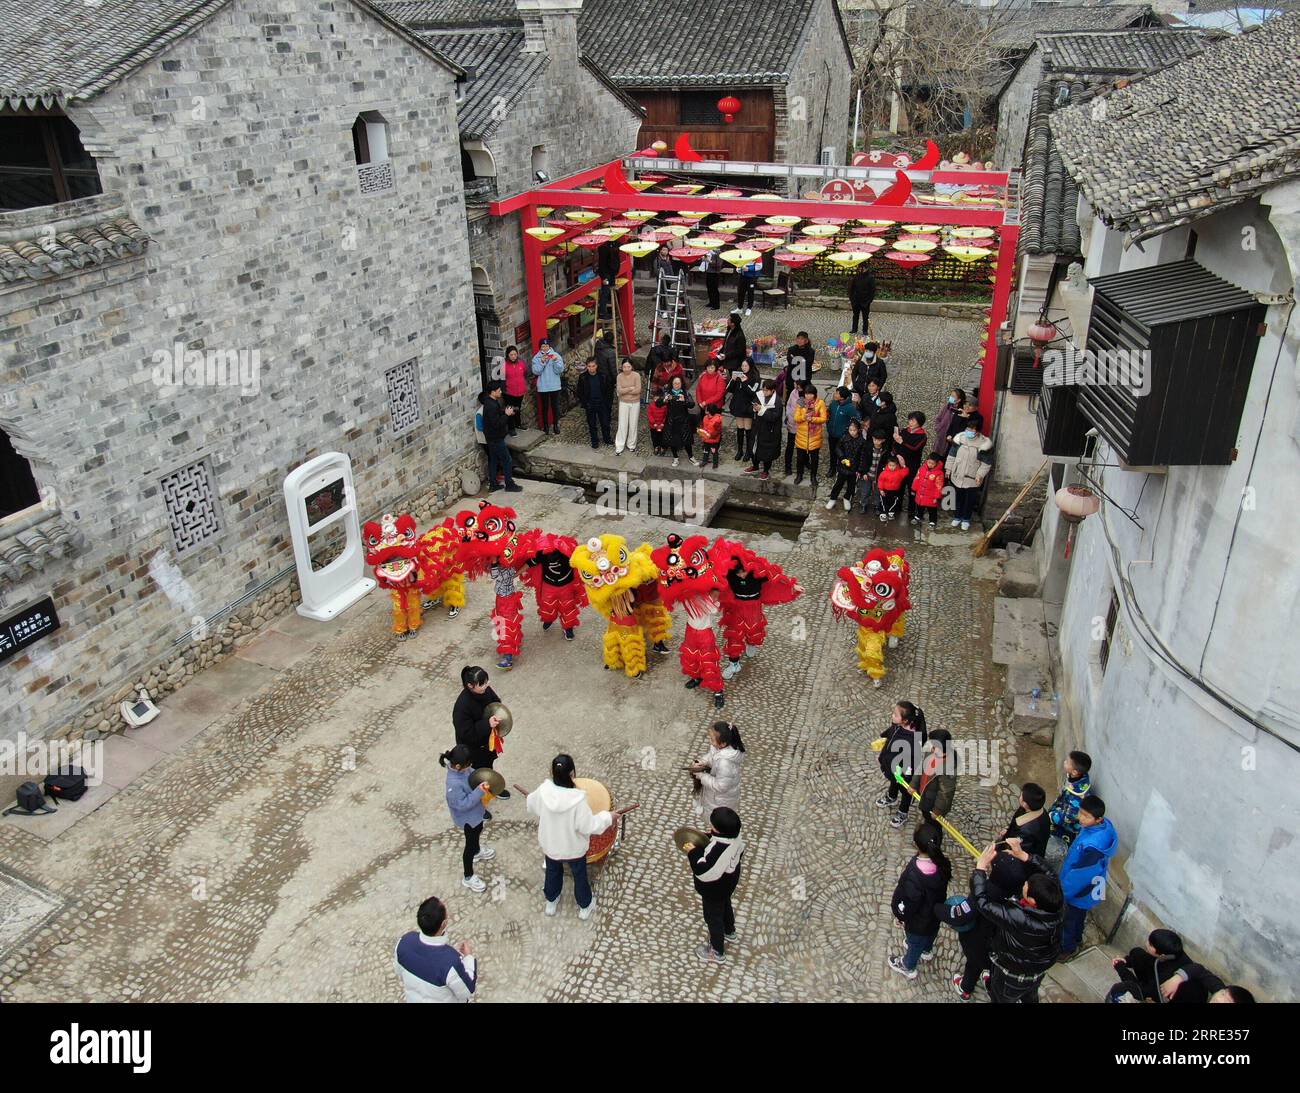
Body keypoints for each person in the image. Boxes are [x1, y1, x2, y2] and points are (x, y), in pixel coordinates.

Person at [516, 754, 629, 920]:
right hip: (573, 849)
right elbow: (589, 826)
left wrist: (531, 799)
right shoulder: (577, 802)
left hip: (551, 845)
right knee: (579, 875)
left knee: (553, 872)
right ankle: (584, 906)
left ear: (553, 772)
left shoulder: (543, 791)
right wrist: (608, 816)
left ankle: (551, 901)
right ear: (572, 774)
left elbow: (533, 804)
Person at [971, 845, 1064, 1003]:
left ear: (1032, 901)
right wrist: (1025, 856)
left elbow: (983, 904)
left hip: (1013, 973)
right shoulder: (1057, 903)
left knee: (1002, 996)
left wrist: (980, 869)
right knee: (1030, 993)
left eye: (1027, 886)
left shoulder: (1020, 918)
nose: (1024, 885)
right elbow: (1051, 874)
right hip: (1038, 968)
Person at [888, 820, 952, 979]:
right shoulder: (943, 864)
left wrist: (901, 916)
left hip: (918, 922)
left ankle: (908, 966)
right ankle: (927, 950)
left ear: (917, 845)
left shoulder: (914, 876)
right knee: (930, 934)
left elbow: (908, 902)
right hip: (934, 915)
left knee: (914, 943)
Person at [1058, 794, 1119, 956]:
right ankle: (1077, 938)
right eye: (1081, 812)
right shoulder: (1104, 828)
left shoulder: (1093, 846)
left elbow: (1081, 875)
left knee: (1069, 920)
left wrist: (1064, 893)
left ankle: (1066, 949)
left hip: (1080, 889)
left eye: (1086, 816)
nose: (1081, 818)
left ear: (1098, 819)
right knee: (1078, 916)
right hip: (1090, 887)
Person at [686, 806, 746, 963]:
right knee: (725, 906)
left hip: (714, 890)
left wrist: (693, 852)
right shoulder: (735, 837)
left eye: (713, 827)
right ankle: (729, 930)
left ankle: (717, 951)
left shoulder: (720, 849)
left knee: (713, 917)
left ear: (720, 831)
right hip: (727, 884)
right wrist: (706, 836)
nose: (710, 828)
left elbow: (704, 871)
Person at [394, 896, 477, 1003]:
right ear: (444, 924)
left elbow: (398, 971)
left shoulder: (403, 942)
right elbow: (466, 990)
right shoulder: (450, 961)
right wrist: (468, 957)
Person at [440, 744, 494, 893]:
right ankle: (468, 876)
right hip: (468, 818)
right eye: (467, 765)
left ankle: (477, 851)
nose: (469, 767)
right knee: (469, 845)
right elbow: (462, 805)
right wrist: (479, 792)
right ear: (457, 766)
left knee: (479, 829)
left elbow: (472, 773)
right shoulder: (453, 785)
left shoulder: (463, 769)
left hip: (476, 813)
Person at [451, 665, 509, 800]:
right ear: (470, 685)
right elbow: (466, 733)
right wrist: (486, 724)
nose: (486, 686)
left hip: (487, 741)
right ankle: (478, 802)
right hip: (472, 748)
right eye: (482, 684)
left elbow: (496, 703)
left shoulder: (485, 690)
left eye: (486, 682)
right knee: (476, 775)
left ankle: (493, 786)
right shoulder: (462, 706)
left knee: (488, 766)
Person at [1107, 929, 1203, 1003]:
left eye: (1151, 944)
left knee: (1125, 988)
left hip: (1178, 997)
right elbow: (1145, 958)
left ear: (1162, 955)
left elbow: (1141, 991)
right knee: (1137, 953)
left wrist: (1120, 967)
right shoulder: (1174, 953)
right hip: (1167, 981)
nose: (1146, 943)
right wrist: (1125, 961)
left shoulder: (1165, 975)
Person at [876, 701, 927, 823]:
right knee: (893, 782)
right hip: (894, 766)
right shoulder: (897, 726)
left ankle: (903, 812)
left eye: (895, 714)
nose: (892, 716)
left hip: (904, 772)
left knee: (905, 792)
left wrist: (907, 776)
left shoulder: (913, 740)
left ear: (905, 721)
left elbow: (914, 760)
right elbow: (891, 733)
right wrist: (883, 737)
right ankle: (891, 797)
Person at [689, 720, 745, 818]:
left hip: (721, 802)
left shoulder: (725, 763)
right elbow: (712, 756)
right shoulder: (721, 749)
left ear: (723, 743)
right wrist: (703, 762)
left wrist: (701, 776)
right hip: (715, 798)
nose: (710, 742)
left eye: (712, 739)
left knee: (717, 822)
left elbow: (720, 786)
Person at [945, 418, 992, 531]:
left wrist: (979, 475)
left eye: (972, 429)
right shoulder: (959, 439)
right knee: (958, 497)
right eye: (968, 428)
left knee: (969, 500)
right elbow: (952, 456)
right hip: (958, 474)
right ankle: (957, 516)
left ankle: (966, 519)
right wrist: (948, 469)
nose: (969, 431)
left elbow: (986, 463)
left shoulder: (984, 444)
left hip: (972, 477)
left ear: (978, 431)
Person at [479, 382, 522, 493]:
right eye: (499, 390)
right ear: (493, 392)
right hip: (495, 438)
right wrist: (506, 415)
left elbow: (496, 415)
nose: (501, 392)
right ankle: (509, 484)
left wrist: (505, 412)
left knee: (493, 460)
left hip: (491, 437)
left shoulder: (490, 402)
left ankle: (493, 484)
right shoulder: (491, 405)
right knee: (507, 460)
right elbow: (497, 423)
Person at [910, 728, 957, 826]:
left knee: (934, 824)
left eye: (933, 746)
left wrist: (937, 810)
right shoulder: (931, 753)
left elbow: (946, 792)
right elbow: (921, 767)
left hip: (933, 803)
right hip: (925, 795)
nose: (931, 748)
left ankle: (933, 836)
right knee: (926, 815)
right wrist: (914, 784)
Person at [1048, 750, 1093, 847]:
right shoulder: (1079, 777)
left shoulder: (1077, 797)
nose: (1064, 762)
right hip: (1063, 808)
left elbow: (1068, 818)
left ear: (1075, 772)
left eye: (1067, 762)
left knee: (1054, 840)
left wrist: (1052, 816)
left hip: (1068, 827)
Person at [793, 383, 827, 494]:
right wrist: (804, 417)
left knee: (815, 458)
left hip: (814, 435)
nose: (808, 396)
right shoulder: (801, 402)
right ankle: (799, 475)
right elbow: (796, 418)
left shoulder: (820, 403)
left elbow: (823, 418)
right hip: (802, 435)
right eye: (807, 394)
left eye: (811, 394)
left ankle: (813, 477)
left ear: (815, 394)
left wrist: (812, 419)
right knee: (800, 458)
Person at [825, 417, 865, 512]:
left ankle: (847, 498)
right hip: (843, 466)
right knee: (838, 484)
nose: (852, 432)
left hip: (854, 468)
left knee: (851, 486)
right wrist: (842, 457)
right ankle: (833, 498)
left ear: (858, 430)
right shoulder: (844, 438)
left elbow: (863, 457)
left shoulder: (862, 442)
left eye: (854, 430)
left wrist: (859, 469)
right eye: (850, 430)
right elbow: (837, 448)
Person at [726, 357, 761, 462]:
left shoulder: (755, 377)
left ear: (750, 366)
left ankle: (748, 451)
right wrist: (732, 379)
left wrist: (745, 382)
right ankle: (740, 450)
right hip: (738, 405)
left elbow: (753, 393)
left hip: (748, 406)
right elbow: (729, 389)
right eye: (742, 366)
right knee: (740, 428)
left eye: (746, 366)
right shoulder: (739, 374)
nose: (744, 368)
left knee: (748, 429)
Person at [1002, 782, 1050, 857]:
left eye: (1021, 795)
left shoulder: (1026, 830)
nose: (1020, 796)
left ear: (1025, 804)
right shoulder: (1039, 810)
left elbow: (1020, 850)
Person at [894, 412, 927, 520]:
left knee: (912, 487)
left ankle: (911, 510)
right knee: (899, 486)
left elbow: (915, 449)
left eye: (913, 420)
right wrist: (898, 455)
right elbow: (895, 446)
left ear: (919, 423)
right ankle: (896, 507)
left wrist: (902, 442)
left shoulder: (922, 436)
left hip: (912, 464)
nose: (910, 422)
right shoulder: (904, 431)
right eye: (910, 420)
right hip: (900, 462)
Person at [748, 379, 782, 480]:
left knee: (767, 451)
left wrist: (762, 410)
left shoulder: (777, 402)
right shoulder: (759, 396)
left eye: (767, 390)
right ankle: (755, 466)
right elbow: (751, 407)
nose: (764, 392)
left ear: (773, 391)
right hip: (757, 427)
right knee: (753, 447)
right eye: (763, 390)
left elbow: (774, 417)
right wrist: (754, 408)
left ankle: (766, 470)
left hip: (769, 431)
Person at [530, 338, 565, 435]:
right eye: (542, 346)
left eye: (546, 346)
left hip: (554, 386)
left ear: (549, 346)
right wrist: (542, 362)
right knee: (544, 407)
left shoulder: (556, 355)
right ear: (540, 347)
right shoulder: (536, 358)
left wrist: (555, 361)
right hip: (543, 386)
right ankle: (545, 427)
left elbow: (560, 370)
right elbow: (536, 371)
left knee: (555, 406)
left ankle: (555, 425)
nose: (544, 348)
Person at [576, 358, 612, 449]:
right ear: (586, 366)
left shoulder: (603, 376)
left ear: (597, 366)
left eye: (593, 366)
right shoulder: (583, 377)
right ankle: (594, 441)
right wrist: (585, 403)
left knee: (605, 422)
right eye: (589, 366)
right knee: (592, 424)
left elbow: (609, 391)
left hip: (602, 403)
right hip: (590, 404)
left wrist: (608, 403)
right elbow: (579, 392)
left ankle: (607, 438)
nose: (591, 368)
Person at [857, 428, 891, 516]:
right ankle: (863, 504)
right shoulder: (868, 448)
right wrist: (864, 472)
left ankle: (877, 506)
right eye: (875, 439)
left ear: (883, 440)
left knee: (877, 492)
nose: (876, 441)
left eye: (879, 440)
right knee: (865, 491)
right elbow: (863, 461)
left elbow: (886, 464)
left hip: (879, 476)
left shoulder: (885, 450)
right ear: (872, 438)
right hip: (868, 474)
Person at [826, 385, 862, 468]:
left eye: (837, 393)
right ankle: (832, 468)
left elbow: (856, 420)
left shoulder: (850, 408)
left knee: (842, 453)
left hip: (842, 436)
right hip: (832, 434)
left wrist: (847, 431)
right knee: (832, 452)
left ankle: (842, 469)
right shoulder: (833, 404)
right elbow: (828, 415)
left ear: (842, 397)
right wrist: (828, 426)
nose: (835, 394)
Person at [664, 375, 696, 467]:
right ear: (672, 384)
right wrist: (664, 400)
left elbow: (692, 404)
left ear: (681, 384)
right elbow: (659, 403)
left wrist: (684, 400)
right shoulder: (668, 393)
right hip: (671, 420)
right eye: (675, 383)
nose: (677, 385)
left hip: (683, 419)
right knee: (672, 440)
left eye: (678, 383)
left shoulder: (685, 393)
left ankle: (691, 456)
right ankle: (675, 458)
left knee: (687, 439)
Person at [911, 451, 946, 530]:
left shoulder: (939, 473)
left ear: (936, 463)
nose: (930, 464)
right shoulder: (922, 468)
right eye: (929, 462)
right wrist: (914, 489)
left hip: (931, 495)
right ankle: (919, 516)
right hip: (920, 492)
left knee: (932, 509)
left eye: (932, 463)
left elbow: (939, 486)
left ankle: (932, 521)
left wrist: (936, 497)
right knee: (919, 506)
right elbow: (917, 479)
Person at [614, 358, 641, 455]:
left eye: (628, 366)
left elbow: (638, 390)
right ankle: (619, 445)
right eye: (624, 367)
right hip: (623, 403)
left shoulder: (636, 376)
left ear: (632, 367)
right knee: (622, 424)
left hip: (635, 403)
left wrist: (625, 391)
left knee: (633, 424)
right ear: (622, 367)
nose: (626, 369)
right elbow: (619, 391)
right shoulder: (619, 376)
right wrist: (630, 388)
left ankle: (631, 444)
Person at [595, 330, 618, 434]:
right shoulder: (610, 352)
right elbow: (613, 369)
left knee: (600, 399)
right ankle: (606, 420)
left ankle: (600, 418)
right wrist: (616, 381)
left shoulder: (598, 347)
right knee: (608, 402)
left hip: (599, 377)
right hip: (608, 380)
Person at [501, 345, 527, 436]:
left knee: (518, 408)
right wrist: (505, 391)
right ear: (507, 355)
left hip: (520, 391)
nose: (513, 356)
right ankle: (511, 428)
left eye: (515, 354)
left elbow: (525, 373)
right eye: (511, 355)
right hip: (509, 392)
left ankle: (518, 424)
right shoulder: (504, 366)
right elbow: (502, 379)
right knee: (510, 410)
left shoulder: (521, 363)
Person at [876, 452, 909, 523]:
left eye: (893, 465)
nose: (892, 467)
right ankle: (883, 513)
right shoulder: (884, 472)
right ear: (887, 465)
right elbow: (880, 481)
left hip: (895, 490)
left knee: (893, 501)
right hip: (885, 490)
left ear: (897, 465)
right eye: (890, 465)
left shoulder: (900, 472)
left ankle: (891, 512)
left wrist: (903, 465)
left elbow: (906, 471)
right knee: (883, 501)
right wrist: (881, 490)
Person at [693, 358, 727, 426]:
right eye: (708, 367)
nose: (710, 369)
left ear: (716, 368)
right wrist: (700, 402)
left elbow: (719, 394)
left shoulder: (719, 379)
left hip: (714, 407)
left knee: (714, 426)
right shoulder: (703, 376)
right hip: (703, 405)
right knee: (705, 423)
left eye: (712, 367)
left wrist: (706, 402)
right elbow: (698, 389)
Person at [782, 377, 805, 477]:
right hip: (792, 424)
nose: (794, 384)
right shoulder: (793, 392)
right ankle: (788, 466)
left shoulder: (805, 395)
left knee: (802, 447)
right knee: (790, 446)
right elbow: (788, 404)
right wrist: (788, 414)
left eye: (796, 383)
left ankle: (804, 463)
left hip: (802, 426)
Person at [933, 387, 964, 459]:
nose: (951, 398)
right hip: (941, 435)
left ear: (959, 400)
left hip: (950, 439)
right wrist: (938, 428)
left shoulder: (960, 412)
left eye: (953, 396)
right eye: (951, 395)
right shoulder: (947, 406)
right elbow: (938, 418)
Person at [849, 266, 876, 334]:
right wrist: (852, 299)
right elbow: (851, 288)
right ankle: (854, 329)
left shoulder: (870, 277)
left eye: (863, 268)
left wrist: (869, 300)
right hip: (856, 300)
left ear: (866, 269)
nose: (861, 270)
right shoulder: (856, 277)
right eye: (861, 268)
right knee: (855, 316)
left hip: (865, 301)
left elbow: (872, 290)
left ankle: (865, 330)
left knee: (865, 317)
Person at [696, 403, 723, 468]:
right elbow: (702, 425)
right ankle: (705, 461)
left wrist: (710, 435)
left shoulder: (717, 420)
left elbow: (718, 431)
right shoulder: (705, 417)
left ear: (708, 411)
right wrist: (701, 430)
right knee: (706, 450)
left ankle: (715, 463)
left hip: (713, 440)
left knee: (714, 451)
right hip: (706, 438)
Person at [647, 387, 668, 456]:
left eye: (658, 398)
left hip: (661, 424)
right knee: (654, 436)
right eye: (655, 398)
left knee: (662, 436)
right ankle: (656, 447)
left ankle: (662, 447)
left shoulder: (664, 406)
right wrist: (653, 423)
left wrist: (663, 423)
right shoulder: (651, 405)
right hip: (654, 425)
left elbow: (666, 415)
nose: (656, 400)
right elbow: (650, 415)